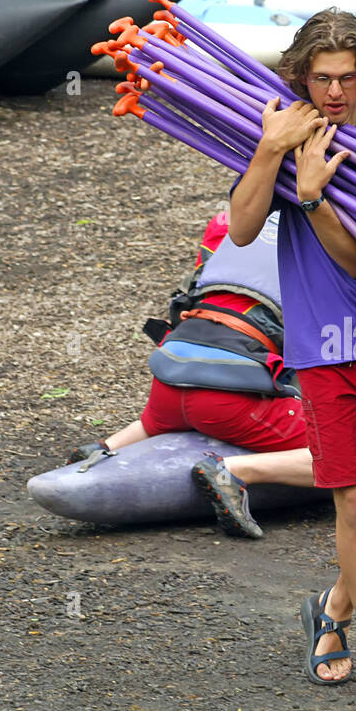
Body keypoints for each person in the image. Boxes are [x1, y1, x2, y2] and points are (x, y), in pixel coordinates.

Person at [228, 8, 356, 711]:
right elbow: (243, 228)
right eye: (323, 79)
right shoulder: (286, 136)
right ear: (301, 77)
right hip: (326, 346)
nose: (337, 92)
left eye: (349, 78)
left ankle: (337, 605)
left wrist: (312, 195)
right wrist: (268, 153)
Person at [69, 210, 314, 538]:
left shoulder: (228, 221)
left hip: (170, 377)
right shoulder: (331, 236)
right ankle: (230, 472)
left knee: (160, 418)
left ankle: (105, 448)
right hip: (229, 395)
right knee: (348, 454)